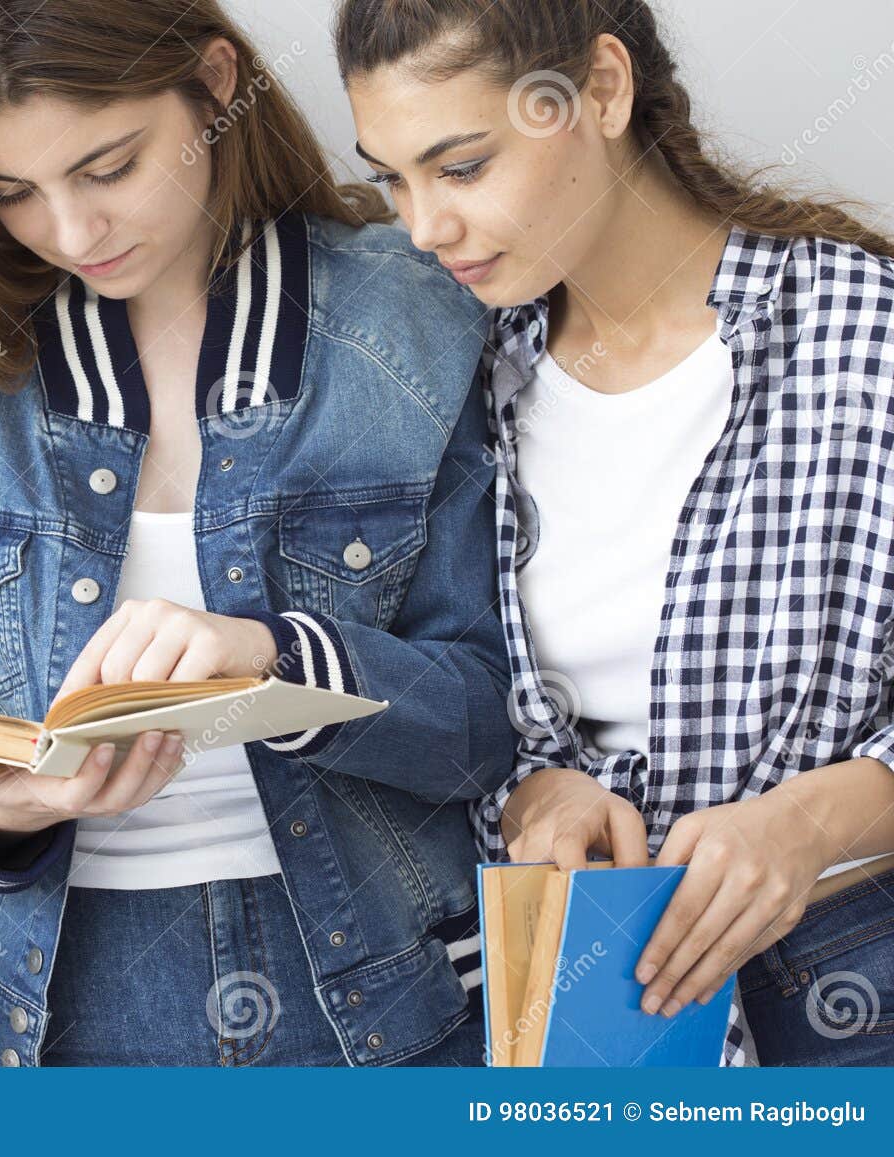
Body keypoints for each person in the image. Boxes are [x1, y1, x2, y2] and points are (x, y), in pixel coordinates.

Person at [0, 0, 515, 1067]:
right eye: (14, 194)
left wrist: (274, 656)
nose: (74, 233)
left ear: (215, 86)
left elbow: (488, 720)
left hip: (388, 994)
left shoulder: (416, 315)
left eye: (109, 167)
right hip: (63, 1012)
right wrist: (8, 810)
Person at [336, 0, 894, 1064]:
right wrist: (535, 797)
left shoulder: (862, 335)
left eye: (459, 167)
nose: (421, 226)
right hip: (582, 1000)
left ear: (599, 89)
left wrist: (809, 823)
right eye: (390, 179)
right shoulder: (456, 376)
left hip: (847, 986)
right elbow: (449, 682)